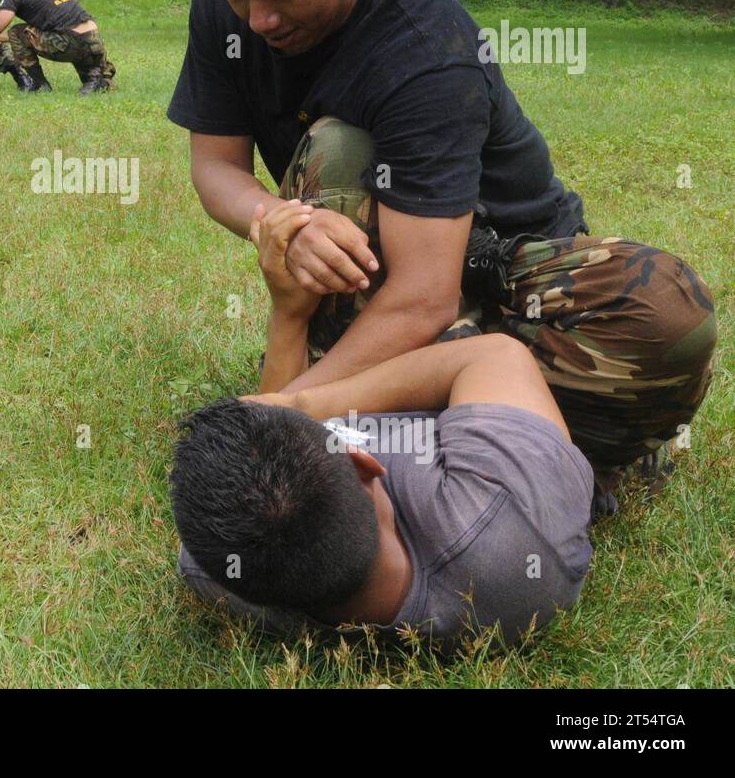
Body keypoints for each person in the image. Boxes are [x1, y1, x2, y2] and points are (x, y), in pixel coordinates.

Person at [165, 0, 716, 508]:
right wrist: (281, 225)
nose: (259, 19)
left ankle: (445, 420)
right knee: (336, 162)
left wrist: (283, 413)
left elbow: (426, 296)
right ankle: (510, 432)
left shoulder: (423, 47)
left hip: (509, 272)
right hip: (394, 273)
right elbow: (216, 167)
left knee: (667, 317)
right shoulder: (226, 4)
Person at [170, 200, 596, 652]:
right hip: (483, 403)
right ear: (365, 463)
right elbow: (494, 356)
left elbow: (247, 495)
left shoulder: (221, 572)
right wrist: (299, 402)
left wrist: (290, 315)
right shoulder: (503, 509)